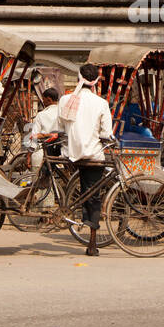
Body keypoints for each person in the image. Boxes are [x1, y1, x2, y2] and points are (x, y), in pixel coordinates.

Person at [58, 64, 115, 257]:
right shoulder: (101, 103)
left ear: (78, 79)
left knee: (83, 191)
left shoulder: (66, 99)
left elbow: (60, 125)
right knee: (93, 196)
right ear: (95, 82)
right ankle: (92, 243)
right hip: (93, 155)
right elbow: (107, 133)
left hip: (71, 154)